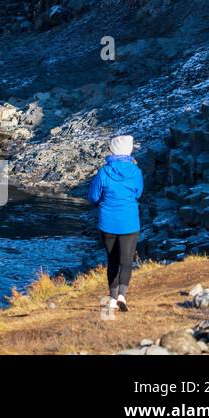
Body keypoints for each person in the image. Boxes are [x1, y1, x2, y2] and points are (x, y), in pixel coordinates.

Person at [88, 134, 143, 312]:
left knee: (112, 260)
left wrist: (103, 202)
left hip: (108, 221)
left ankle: (112, 298)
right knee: (126, 260)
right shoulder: (136, 172)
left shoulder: (104, 172)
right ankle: (122, 295)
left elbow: (93, 196)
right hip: (129, 221)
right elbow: (138, 193)